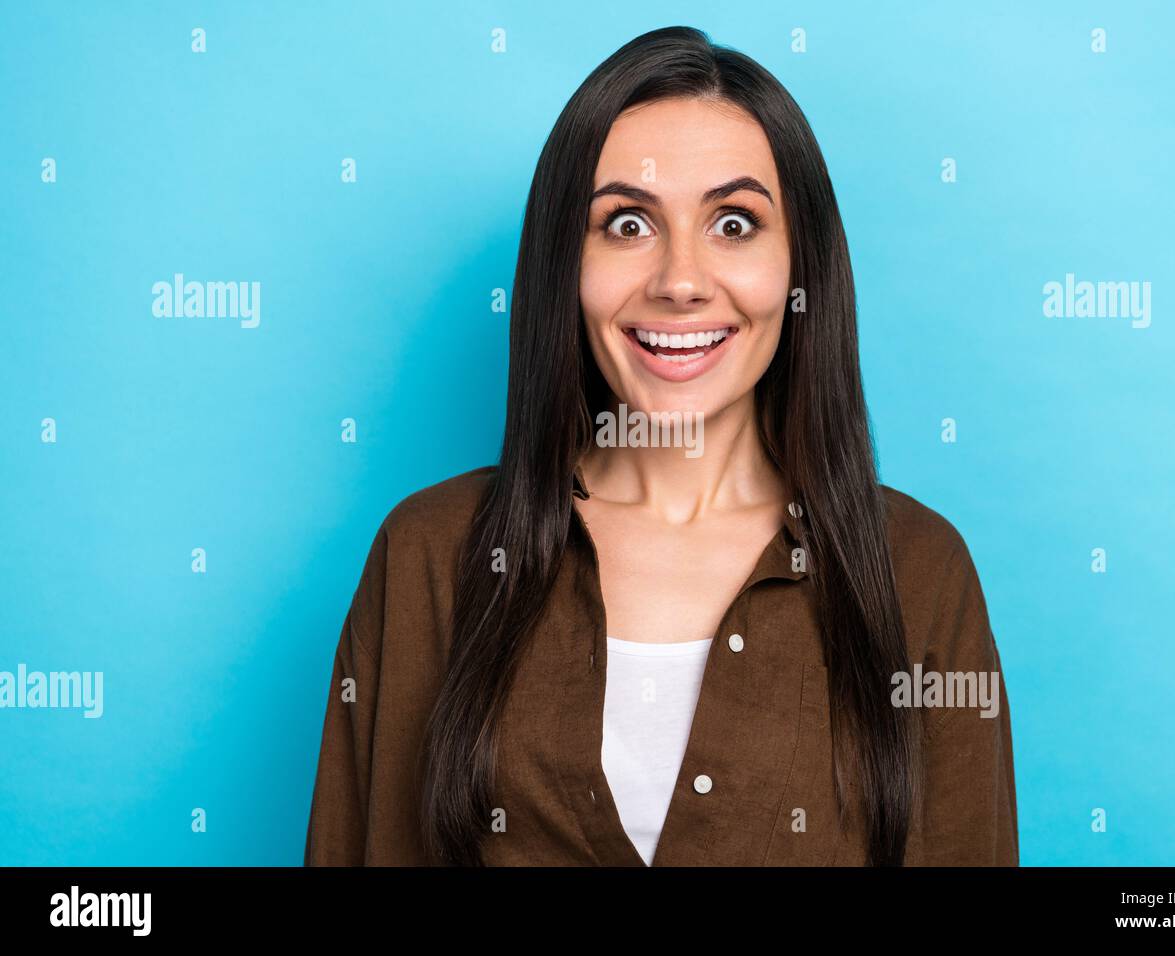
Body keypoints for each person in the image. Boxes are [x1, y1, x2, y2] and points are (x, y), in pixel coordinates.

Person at [304, 25, 1018, 867]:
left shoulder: (919, 571)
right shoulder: (428, 556)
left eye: (735, 223)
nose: (680, 281)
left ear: (802, 269)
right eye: (628, 224)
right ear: (564, 264)